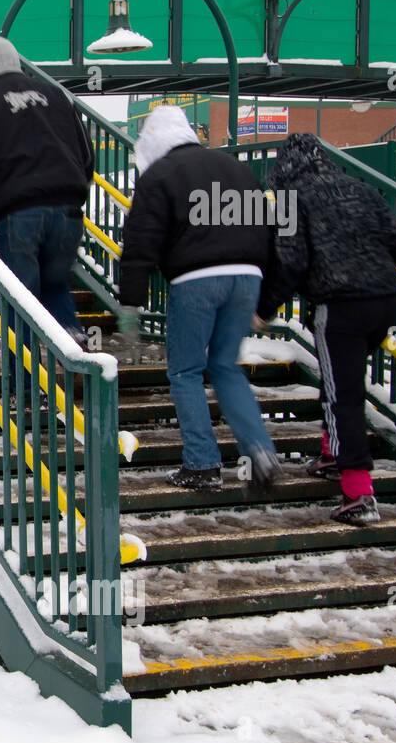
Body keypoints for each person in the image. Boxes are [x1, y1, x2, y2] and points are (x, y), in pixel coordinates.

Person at [257, 133, 396, 525]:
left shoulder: (294, 199)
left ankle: (358, 493)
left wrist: (264, 308)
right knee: (339, 381)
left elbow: (291, 262)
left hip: (341, 306)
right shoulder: (360, 189)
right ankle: (331, 452)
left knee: (344, 395)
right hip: (385, 302)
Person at [118, 106, 281, 491]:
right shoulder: (236, 170)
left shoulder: (160, 176)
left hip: (196, 280)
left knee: (186, 370)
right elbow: (270, 234)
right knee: (225, 367)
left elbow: (141, 241)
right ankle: (260, 450)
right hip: (247, 278)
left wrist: (131, 303)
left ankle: (203, 465)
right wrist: (268, 301)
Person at [0, 35, 95, 346]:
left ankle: (28, 390)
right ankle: (78, 368)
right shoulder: (58, 97)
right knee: (56, 288)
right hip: (68, 214)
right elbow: (87, 157)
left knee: (21, 305)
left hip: (19, 217)